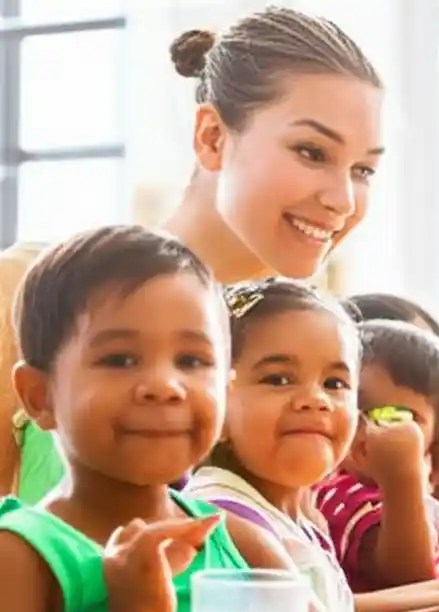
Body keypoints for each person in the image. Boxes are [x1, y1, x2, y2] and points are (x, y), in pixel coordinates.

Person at [0, 227, 409, 612]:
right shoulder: (27, 554)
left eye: (193, 361)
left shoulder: (236, 539)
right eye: (120, 359)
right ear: (39, 396)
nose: (165, 386)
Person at [0, 6, 385, 502]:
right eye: (312, 152)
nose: (343, 200)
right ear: (213, 137)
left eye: (363, 170)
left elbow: (310, 577)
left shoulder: (319, 357)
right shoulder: (24, 292)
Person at [187, 280, 439, 612]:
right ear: (218, 406)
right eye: (278, 379)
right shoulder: (228, 518)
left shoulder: (299, 515)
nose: (316, 399)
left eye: (335, 383)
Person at [317, 320, 439, 587]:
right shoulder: (338, 491)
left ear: (436, 441)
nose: (367, 430)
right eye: (355, 408)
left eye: (396, 417)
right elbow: (411, 581)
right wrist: (400, 479)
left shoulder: (420, 491)